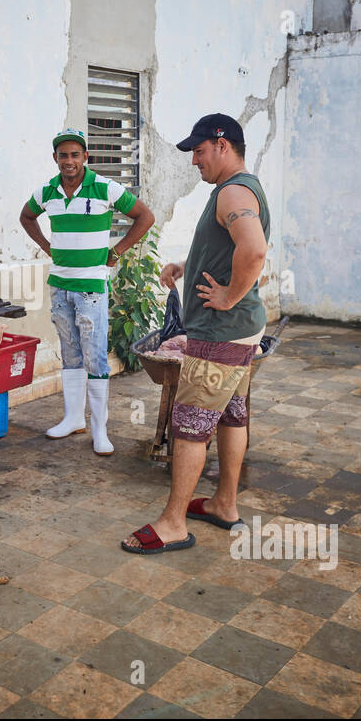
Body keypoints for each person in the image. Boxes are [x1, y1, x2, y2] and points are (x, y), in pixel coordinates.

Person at [121, 114, 269, 553]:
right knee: (231, 414)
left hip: (220, 331)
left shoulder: (233, 192)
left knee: (189, 426)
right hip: (242, 331)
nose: (194, 162)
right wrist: (191, 267)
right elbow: (235, 245)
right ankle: (224, 503)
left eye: (199, 152)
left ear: (222, 145)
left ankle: (172, 524)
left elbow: (255, 248)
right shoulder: (243, 187)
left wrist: (228, 296)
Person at [20, 128, 155, 455]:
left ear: (85, 158)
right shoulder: (48, 192)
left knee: (95, 357)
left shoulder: (104, 188)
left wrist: (117, 251)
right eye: (63, 155)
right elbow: (26, 216)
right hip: (60, 286)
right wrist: (45, 245)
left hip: (92, 288)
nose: (69, 161)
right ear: (56, 159)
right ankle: (72, 418)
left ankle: (99, 429)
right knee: (70, 354)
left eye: (75, 155)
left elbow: (144, 216)